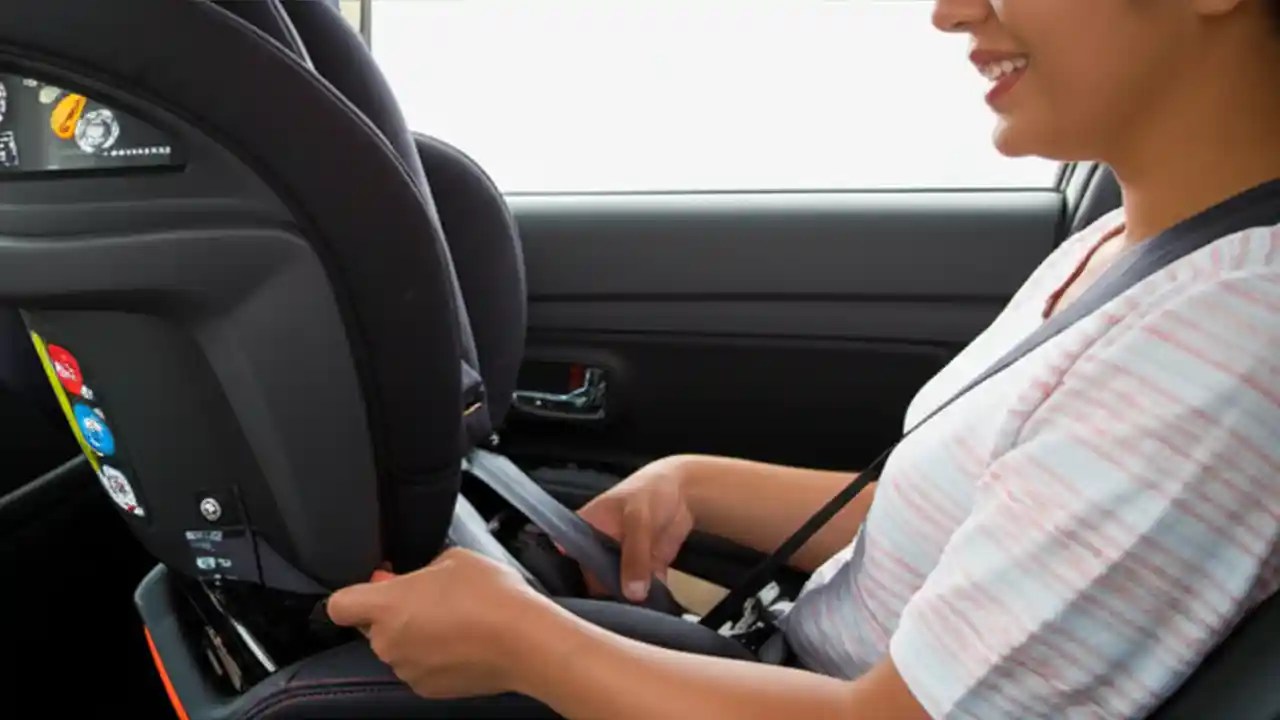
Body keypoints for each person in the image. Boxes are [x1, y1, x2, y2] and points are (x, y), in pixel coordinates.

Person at [325, 0, 1280, 717]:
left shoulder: (1230, 339)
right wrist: (699, 480)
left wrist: (525, 645)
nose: (950, 11)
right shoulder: (1125, 247)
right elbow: (986, 521)